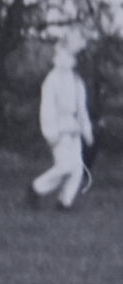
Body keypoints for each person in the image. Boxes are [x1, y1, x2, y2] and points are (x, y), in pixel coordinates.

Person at [32, 35, 94, 210]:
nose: (69, 60)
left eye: (72, 57)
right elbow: (47, 109)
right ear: (58, 57)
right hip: (58, 129)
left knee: (77, 170)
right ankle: (36, 188)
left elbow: (82, 109)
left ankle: (64, 202)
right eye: (65, 55)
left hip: (74, 128)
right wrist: (50, 132)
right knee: (65, 166)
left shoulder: (76, 81)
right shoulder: (51, 81)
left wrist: (86, 130)